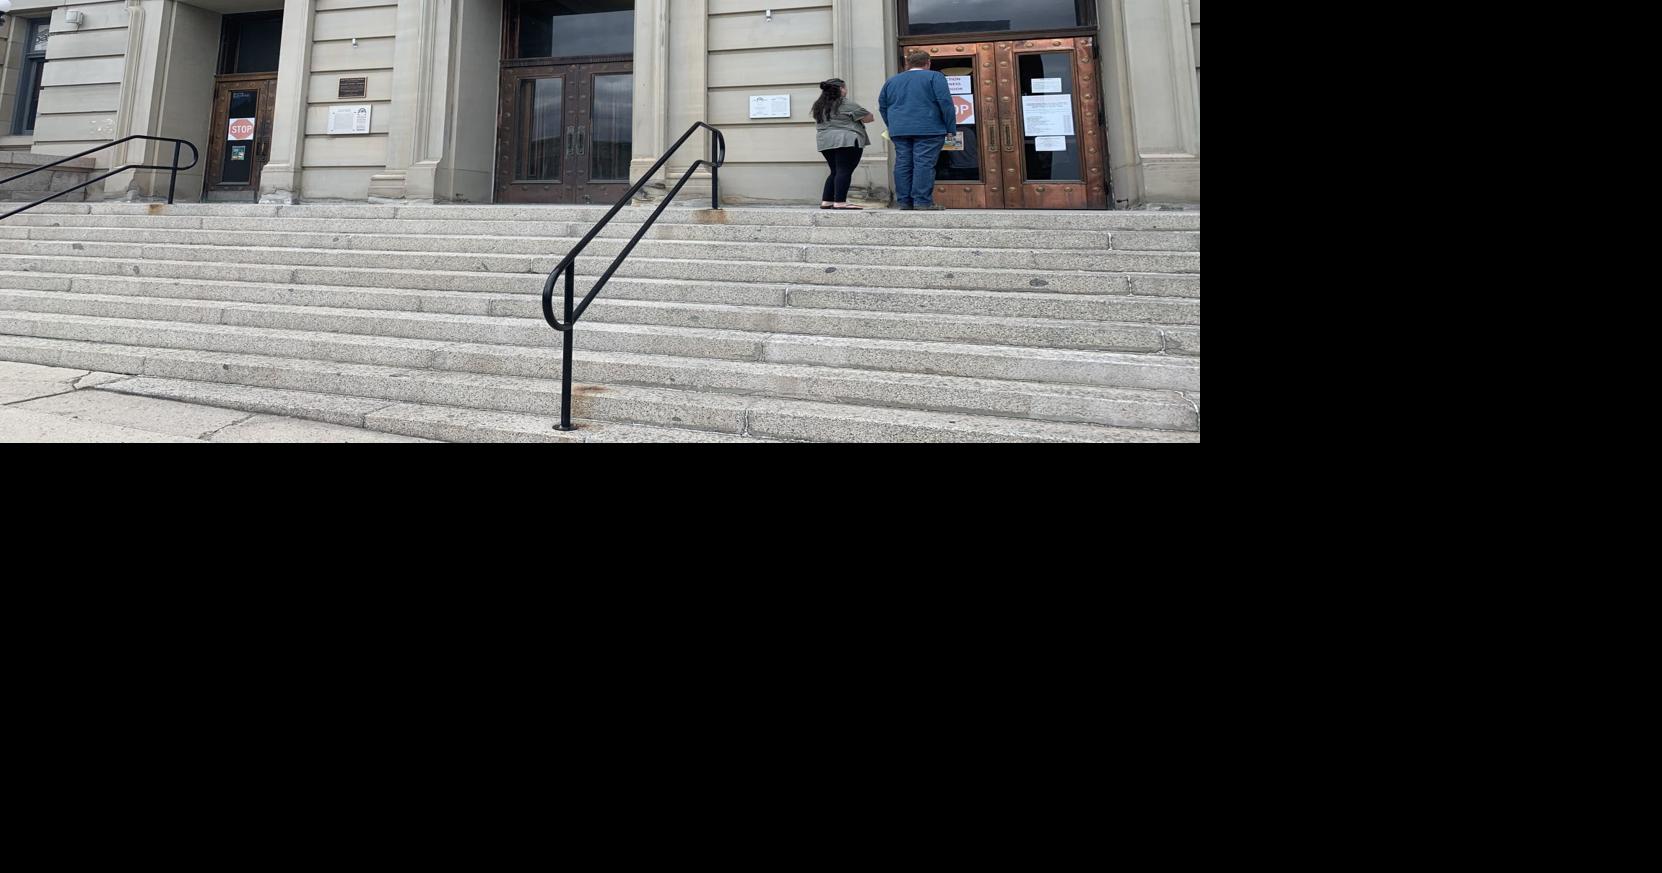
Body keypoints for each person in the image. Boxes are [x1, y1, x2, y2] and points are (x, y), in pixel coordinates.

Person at [878, 49, 958, 211]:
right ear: (928, 63)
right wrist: (950, 127)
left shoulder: (892, 81)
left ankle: (904, 201)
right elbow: (945, 103)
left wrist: (892, 125)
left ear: (908, 64)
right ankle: (922, 201)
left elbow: (883, 106)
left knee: (903, 163)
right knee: (924, 163)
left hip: (899, 129)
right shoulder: (935, 77)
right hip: (929, 128)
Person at [813, 78, 874, 211]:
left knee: (835, 171)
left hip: (825, 141)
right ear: (840, 89)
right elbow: (869, 117)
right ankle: (840, 202)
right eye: (845, 88)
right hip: (847, 140)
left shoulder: (819, 105)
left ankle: (827, 201)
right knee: (844, 171)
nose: (846, 90)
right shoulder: (846, 103)